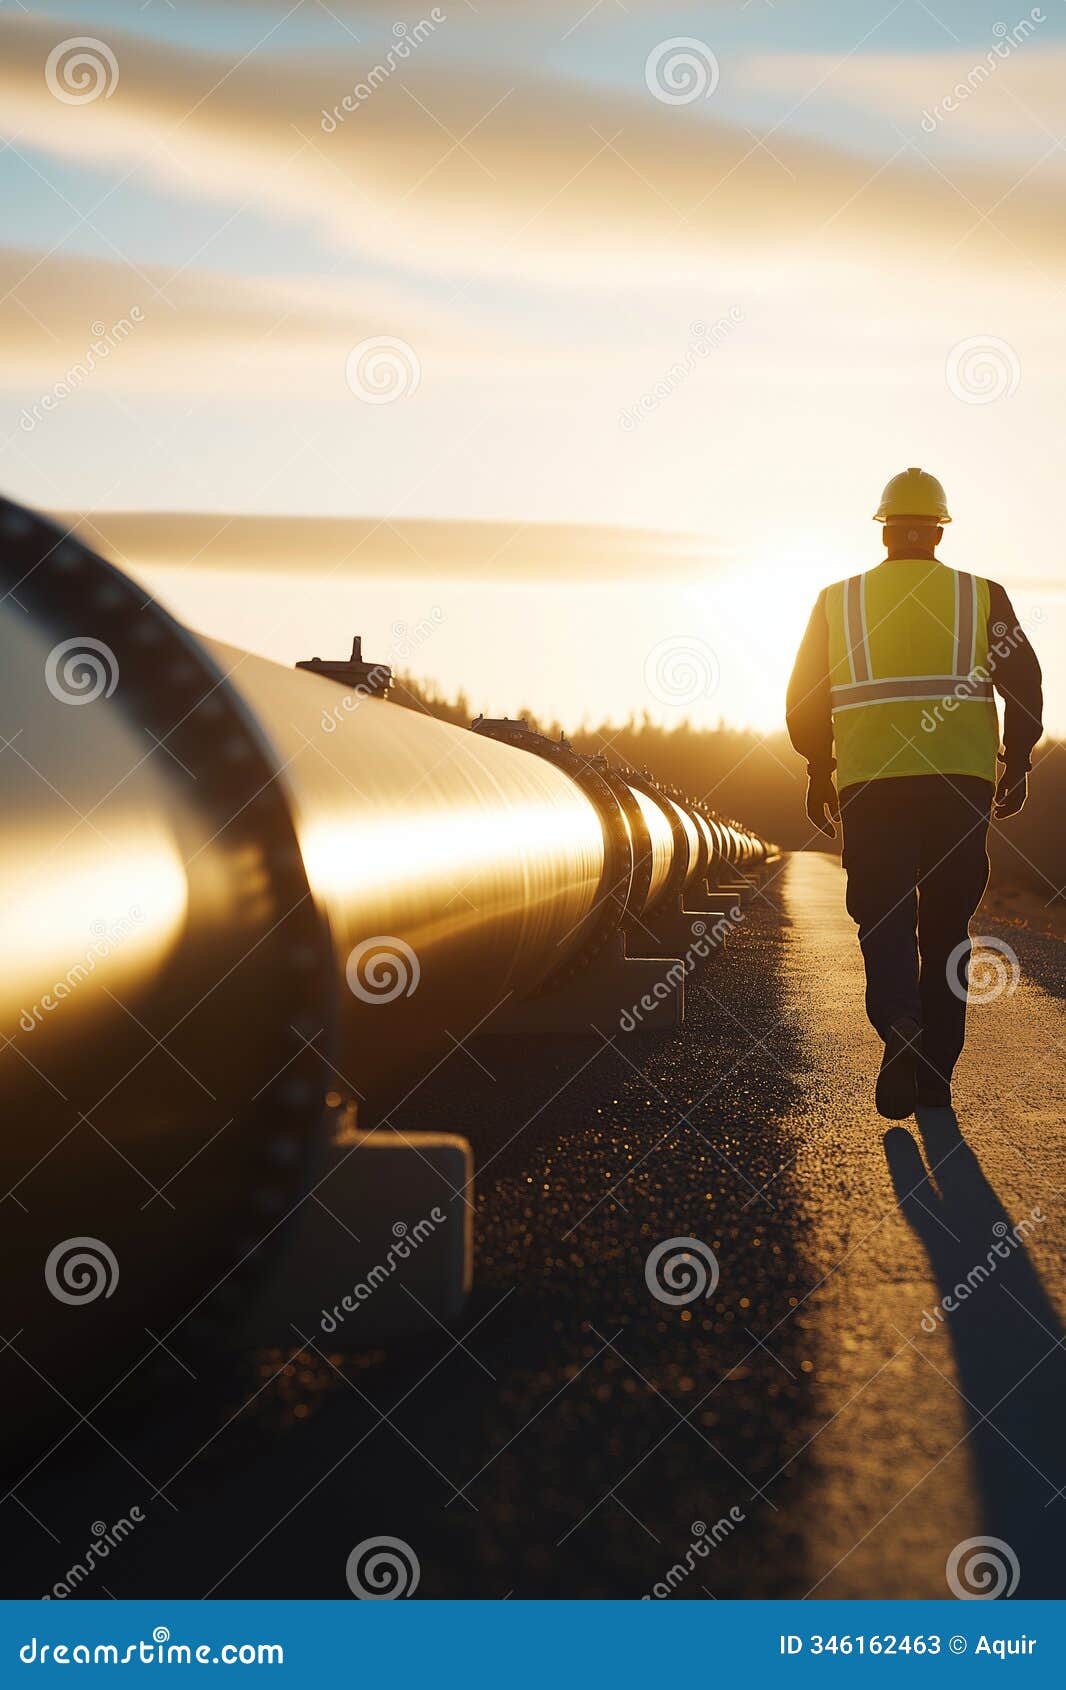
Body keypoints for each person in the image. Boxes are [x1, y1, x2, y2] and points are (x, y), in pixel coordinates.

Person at [785, 468, 1043, 1118]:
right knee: (949, 925)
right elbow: (1025, 683)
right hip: (960, 784)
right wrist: (1018, 765)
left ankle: (900, 1018)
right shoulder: (982, 596)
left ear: (883, 530)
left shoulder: (837, 601)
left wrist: (820, 768)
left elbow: (803, 699)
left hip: (873, 785)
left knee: (883, 912)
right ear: (938, 529)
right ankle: (936, 1077)